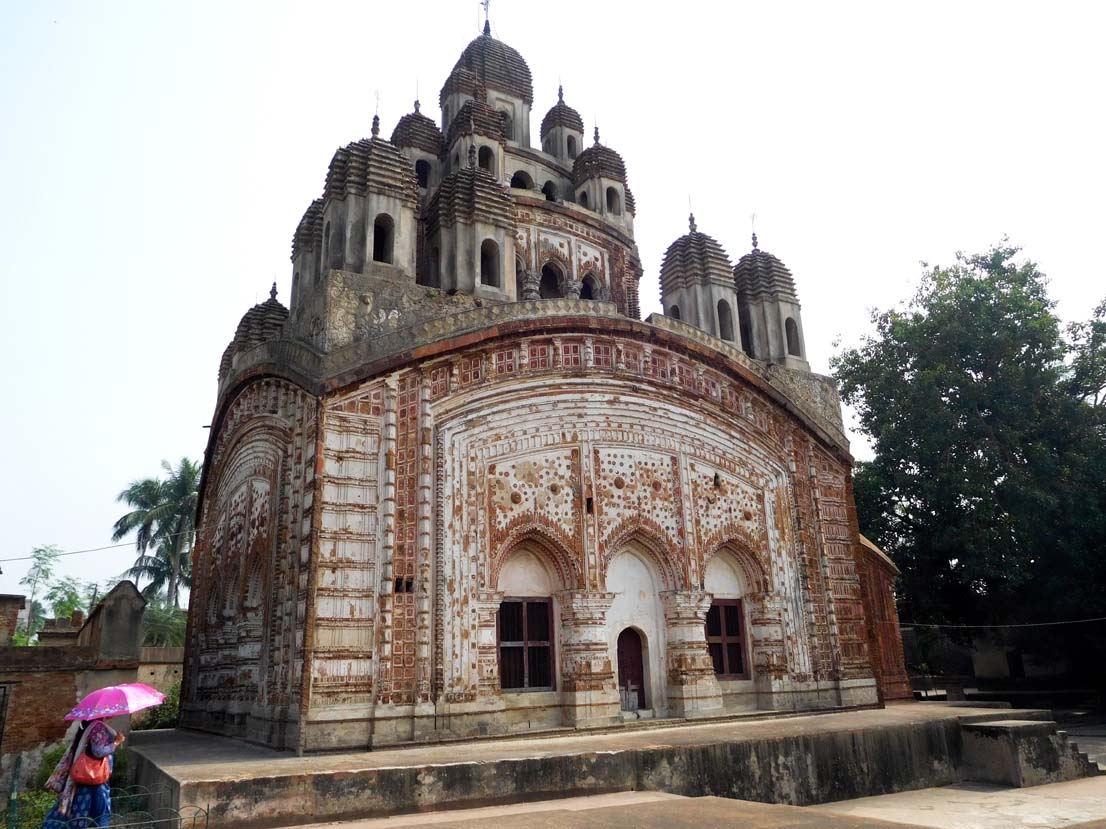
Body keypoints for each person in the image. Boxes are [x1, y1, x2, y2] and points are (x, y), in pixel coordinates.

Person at [41, 718, 125, 828]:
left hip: (84, 778)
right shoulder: (98, 728)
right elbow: (98, 752)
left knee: (77, 811)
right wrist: (116, 743)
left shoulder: (87, 725)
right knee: (99, 813)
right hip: (94, 779)